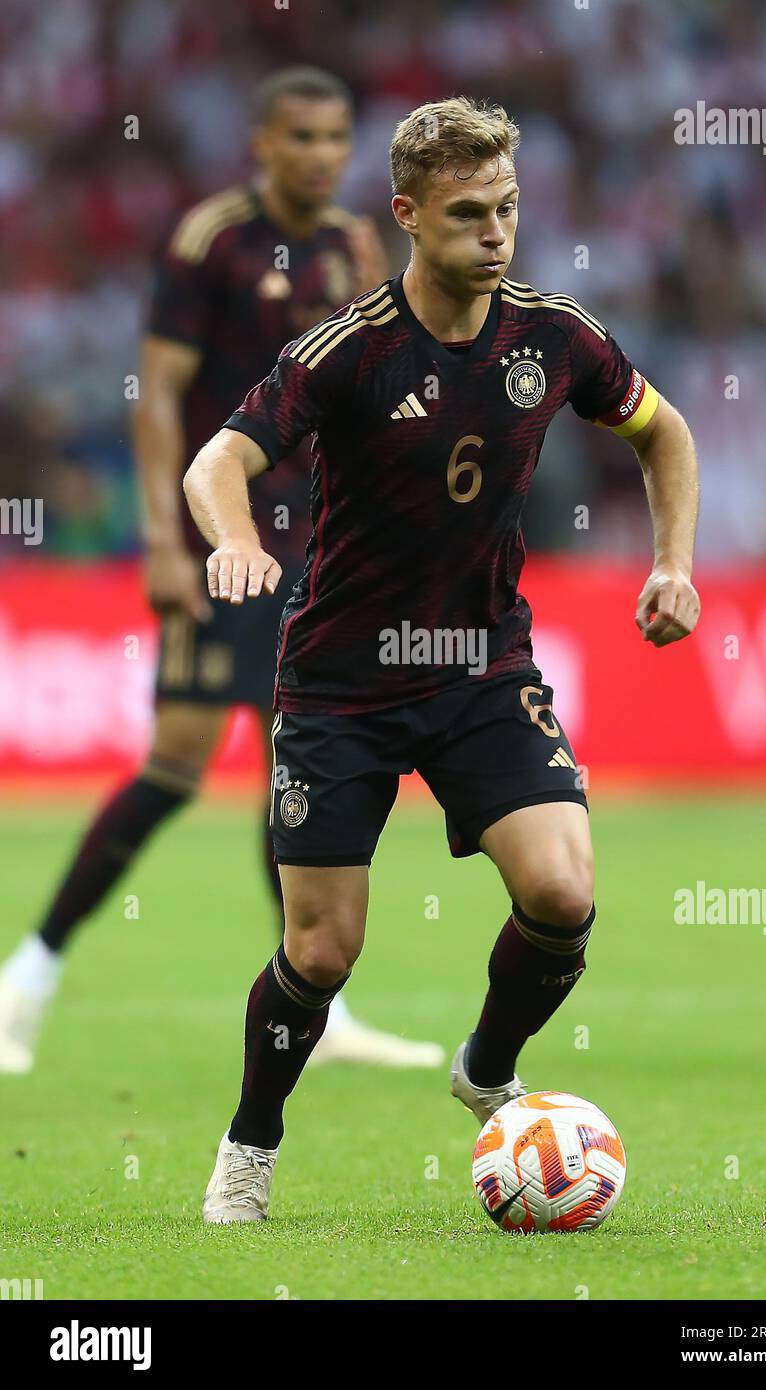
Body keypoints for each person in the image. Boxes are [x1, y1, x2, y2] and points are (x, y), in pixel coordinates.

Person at [182, 95, 701, 1224]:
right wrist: (231, 539)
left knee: (563, 892)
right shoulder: (346, 350)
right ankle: (250, 1144)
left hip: (480, 671)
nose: (496, 233)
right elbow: (215, 462)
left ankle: (484, 1064)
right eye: (470, 213)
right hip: (340, 686)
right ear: (408, 214)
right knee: (321, 951)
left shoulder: (553, 336)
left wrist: (671, 562)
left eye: (508, 209)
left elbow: (663, 430)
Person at [0, 67, 443, 1076]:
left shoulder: (352, 246)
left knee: (295, 768)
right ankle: (26, 972)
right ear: (260, 142)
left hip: (319, 551)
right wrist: (165, 537)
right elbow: (157, 396)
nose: (321, 153)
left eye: (335, 136)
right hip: (223, 539)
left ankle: (315, 1004)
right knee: (176, 765)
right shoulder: (210, 243)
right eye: (300, 135)